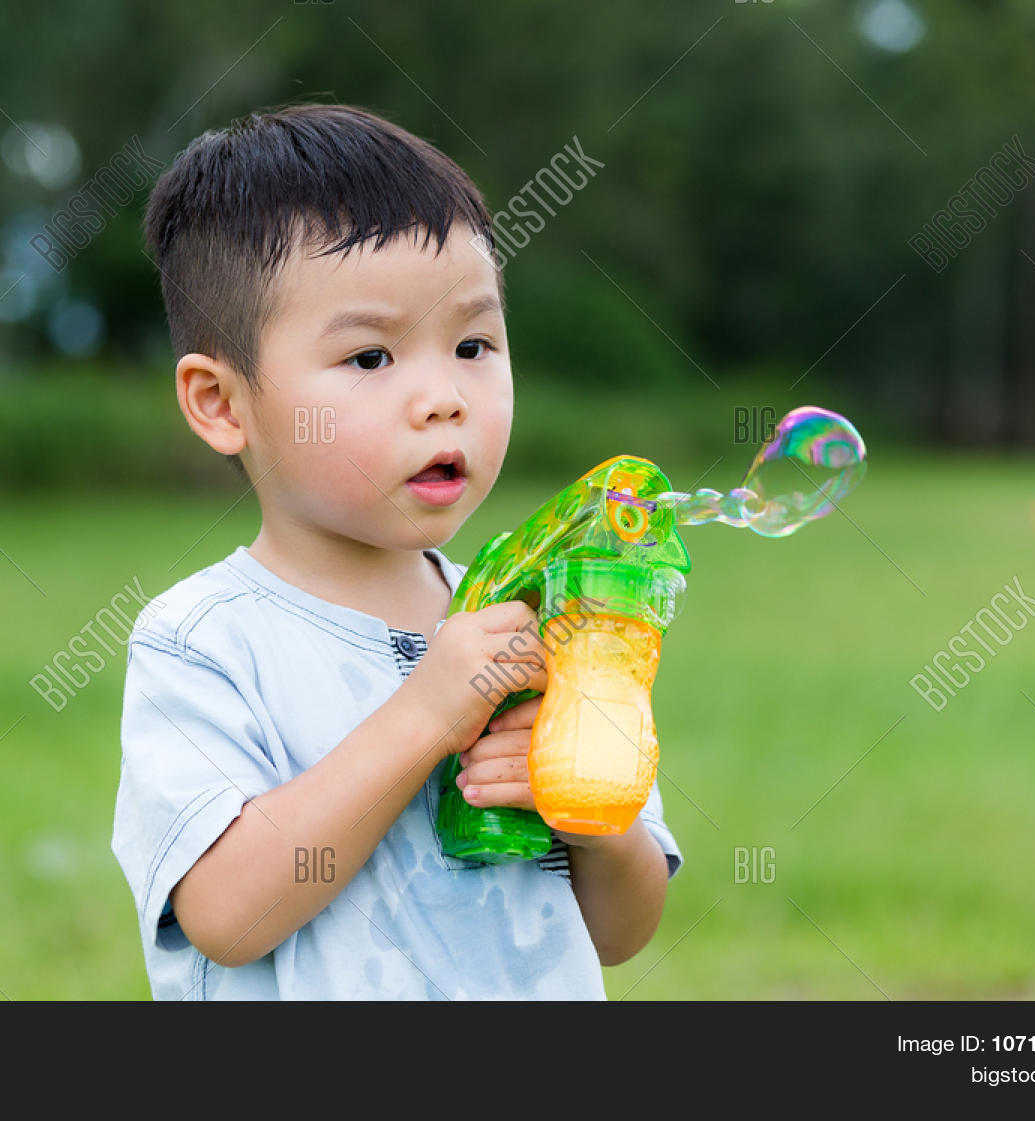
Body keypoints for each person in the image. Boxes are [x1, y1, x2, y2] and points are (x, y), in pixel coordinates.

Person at [111, 103, 682, 999]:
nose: (443, 397)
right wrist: (425, 717)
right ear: (223, 403)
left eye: (472, 344)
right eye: (372, 358)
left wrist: (587, 806)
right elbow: (227, 915)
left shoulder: (537, 618)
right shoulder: (203, 641)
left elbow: (622, 932)